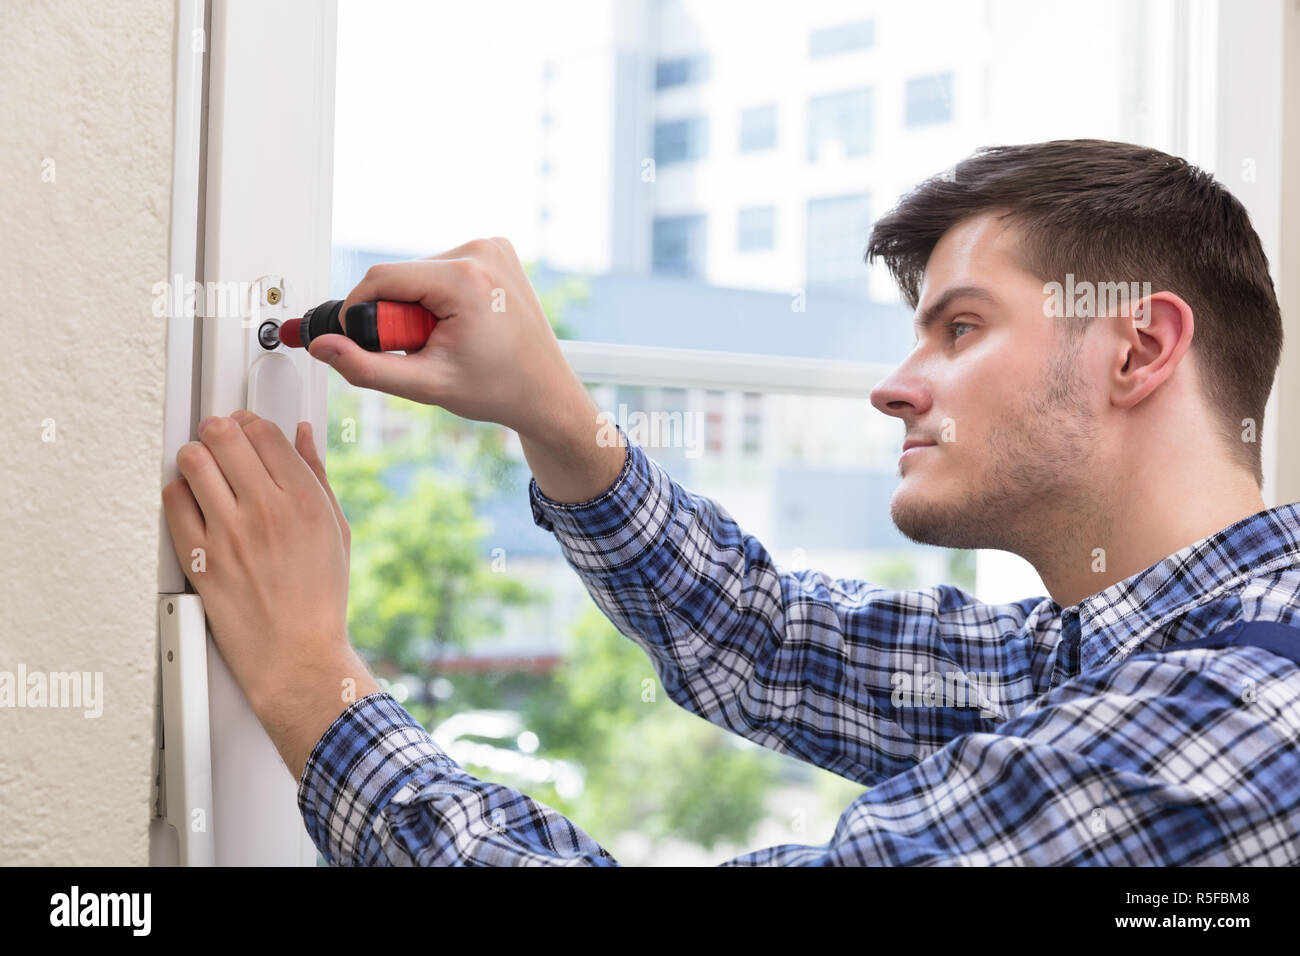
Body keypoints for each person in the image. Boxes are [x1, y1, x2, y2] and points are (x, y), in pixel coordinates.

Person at [161, 139, 1300, 865]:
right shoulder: (1126, 653)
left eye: (960, 327)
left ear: (1138, 346)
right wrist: (561, 421)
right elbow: (768, 640)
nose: (894, 384)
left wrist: (313, 683)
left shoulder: (1235, 722)